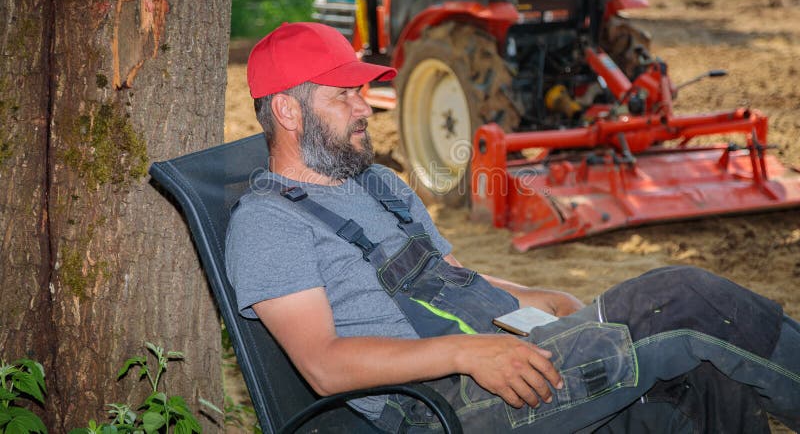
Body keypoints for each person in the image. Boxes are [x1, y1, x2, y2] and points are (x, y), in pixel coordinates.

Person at [225, 22, 800, 433]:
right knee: (685, 300)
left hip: (500, 352)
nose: (365, 107)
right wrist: (467, 354)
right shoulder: (269, 223)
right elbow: (325, 365)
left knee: (700, 378)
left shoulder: (378, 184)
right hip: (443, 405)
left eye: (361, 91)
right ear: (288, 111)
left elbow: (446, 275)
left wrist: (529, 296)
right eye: (344, 94)